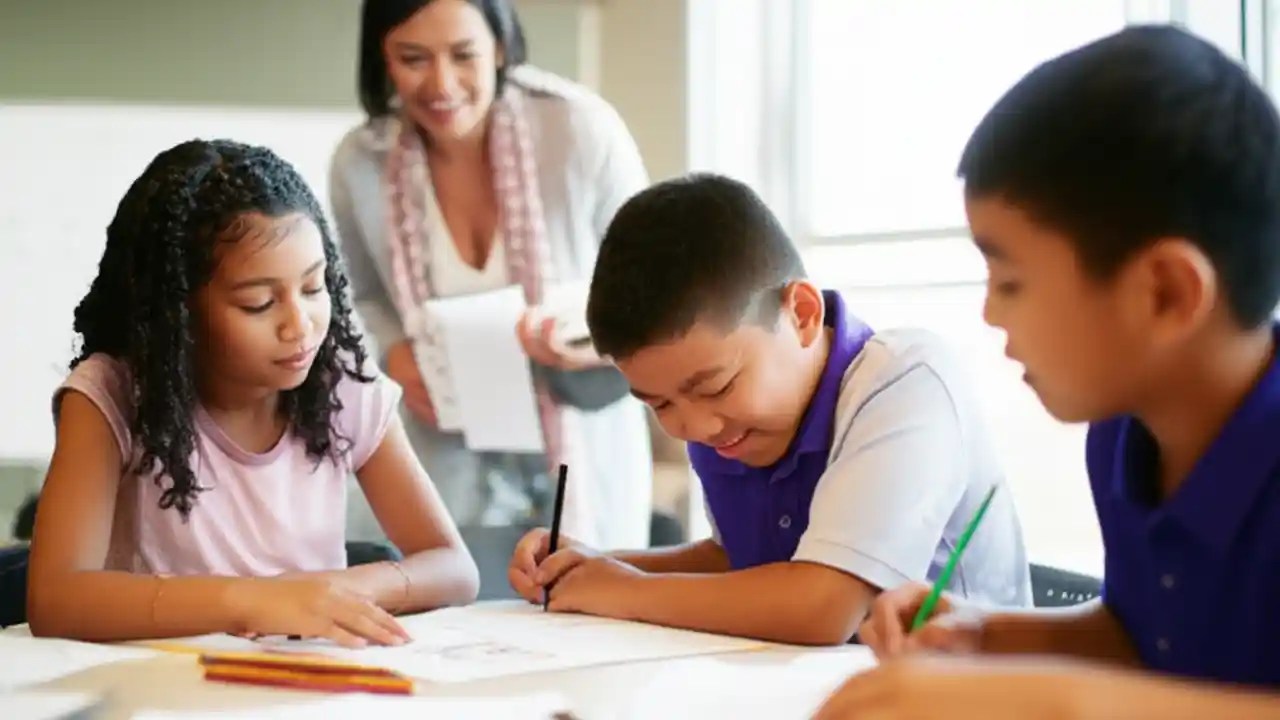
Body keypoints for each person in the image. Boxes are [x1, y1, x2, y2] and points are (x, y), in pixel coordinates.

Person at [816, 25, 1280, 719]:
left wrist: (1057, 700)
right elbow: (1144, 638)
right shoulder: (1124, 436)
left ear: (1166, 294)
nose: (991, 314)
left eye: (1010, 280)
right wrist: (987, 634)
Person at [506, 174, 1031, 645]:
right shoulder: (732, 425)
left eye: (716, 387)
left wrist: (623, 590)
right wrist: (594, 566)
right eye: (659, 403)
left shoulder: (907, 383)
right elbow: (743, 561)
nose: (694, 425)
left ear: (801, 313)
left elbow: (823, 606)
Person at [26, 139, 478, 646]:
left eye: (313, 288)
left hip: (307, 686)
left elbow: (454, 567)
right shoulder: (111, 394)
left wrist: (333, 591)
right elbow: (55, 600)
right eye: (259, 304)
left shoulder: (341, 386)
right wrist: (257, 600)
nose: (299, 326)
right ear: (179, 314)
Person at [329, 0, 653, 549]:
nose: (442, 84)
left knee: (586, 610)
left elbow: (655, 285)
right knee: (445, 613)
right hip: (441, 460)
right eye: (413, 58)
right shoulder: (359, 162)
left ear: (500, 48)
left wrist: (585, 337)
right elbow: (358, 296)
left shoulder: (579, 130)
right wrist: (394, 354)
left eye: (464, 55)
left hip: (581, 453)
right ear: (382, 57)